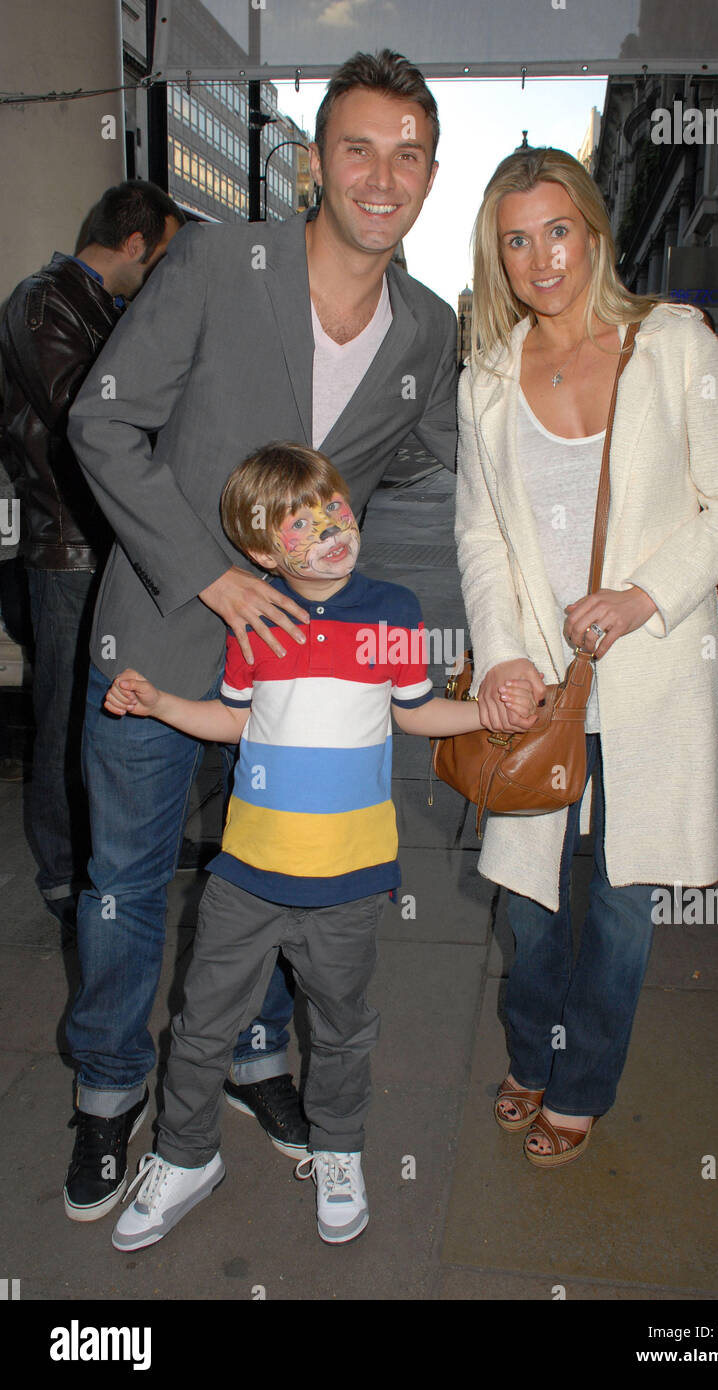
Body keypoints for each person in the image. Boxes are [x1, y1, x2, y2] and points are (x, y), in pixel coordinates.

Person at [63, 49, 457, 1221]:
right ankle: (107, 1090)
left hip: (311, 673)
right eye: (358, 147)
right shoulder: (221, 264)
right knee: (128, 880)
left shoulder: (426, 328)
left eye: (408, 152)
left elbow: (434, 465)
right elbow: (101, 422)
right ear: (314, 164)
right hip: (166, 633)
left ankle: (250, 1060)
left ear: (429, 172)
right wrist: (209, 575)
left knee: (286, 866)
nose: (382, 175)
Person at [100, 444, 528, 1248]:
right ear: (263, 552)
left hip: (350, 878)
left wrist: (485, 718)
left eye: (333, 508)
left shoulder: (392, 610)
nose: (330, 530)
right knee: (199, 1028)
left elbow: (413, 713)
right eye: (302, 524)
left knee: (340, 1027)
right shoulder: (254, 615)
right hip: (245, 879)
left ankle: (337, 1149)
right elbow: (235, 720)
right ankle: (185, 1155)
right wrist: (159, 703)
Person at [454, 147, 718, 1167]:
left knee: (622, 910)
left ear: (591, 232)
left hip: (651, 685)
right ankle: (531, 1049)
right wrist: (496, 652)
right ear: (494, 256)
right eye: (515, 239)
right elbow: (480, 535)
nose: (540, 259)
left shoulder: (671, 343)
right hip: (535, 688)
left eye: (556, 231)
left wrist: (641, 596)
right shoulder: (487, 377)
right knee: (530, 905)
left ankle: (579, 1082)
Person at [0, 182, 183, 939]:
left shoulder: (93, 309)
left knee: (99, 711)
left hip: (100, 543)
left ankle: (97, 861)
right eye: (162, 256)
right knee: (67, 716)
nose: (163, 272)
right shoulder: (45, 305)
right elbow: (93, 417)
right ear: (136, 243)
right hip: (67, 548)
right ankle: (63, 875)